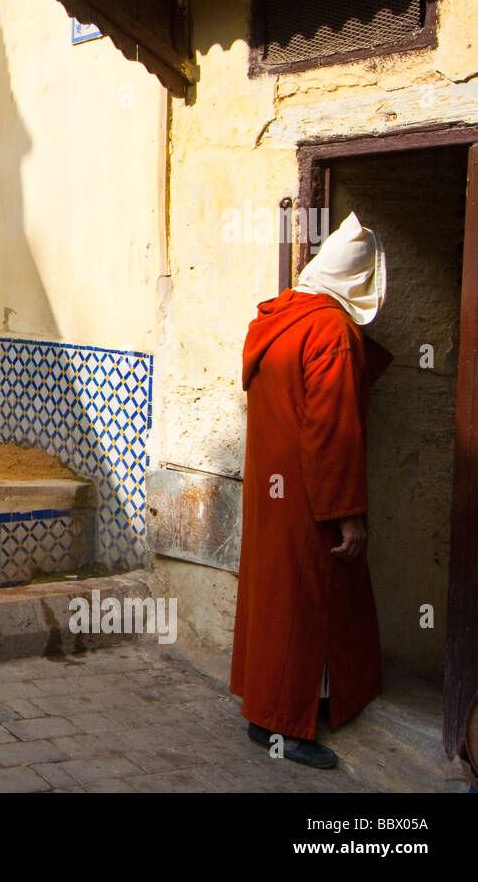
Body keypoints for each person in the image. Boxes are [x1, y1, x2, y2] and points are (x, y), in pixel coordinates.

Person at [230, 210, 393, 769]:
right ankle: (282, 724)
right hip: (307, 494)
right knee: (306, 603)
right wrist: (347, 512)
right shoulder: (332, 332)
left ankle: (275, 706)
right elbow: (333, 430)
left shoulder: (276, 318)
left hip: (270, 488)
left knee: (276, 600)